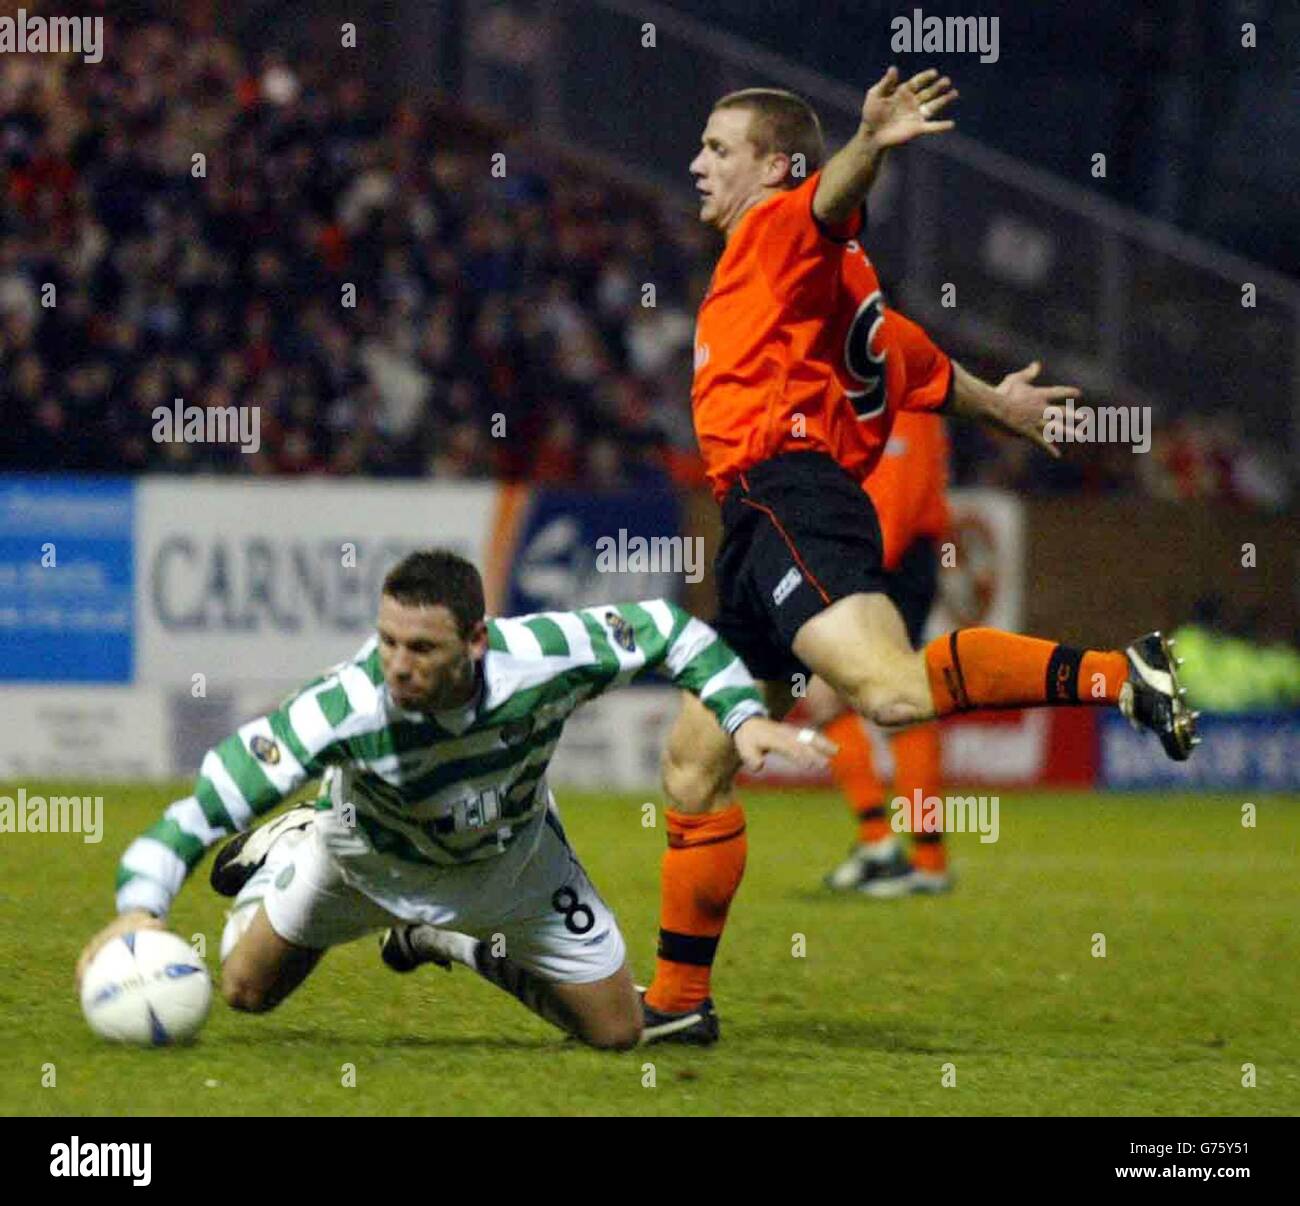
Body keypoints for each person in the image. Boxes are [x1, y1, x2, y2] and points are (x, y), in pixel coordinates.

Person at [641, 67, 1199, 1042]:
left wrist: (865, 145)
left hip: (790, 499)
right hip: (764, 515)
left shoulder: (782, 227)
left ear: (776, 167)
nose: (696, 163)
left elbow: (828, 200)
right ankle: (678, 1008)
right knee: (694, 764)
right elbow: (913, 362)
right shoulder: (820, 297)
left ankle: (1122, 673)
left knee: (890, 694)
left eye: (717, 148)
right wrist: (1003, 406)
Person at [75, 549, 829, 1050]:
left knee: (617, 1034)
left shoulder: (543, 657)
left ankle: (445, 940)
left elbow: (669, 631)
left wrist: (741, 713)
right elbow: (203, 807)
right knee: (242, 991)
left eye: (421, 648)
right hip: (364, 859)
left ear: (475, 641)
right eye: (388, 642)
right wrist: (143, 907)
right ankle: (291, 844)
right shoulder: (345, 707)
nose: (397, 666)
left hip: (515, 861)